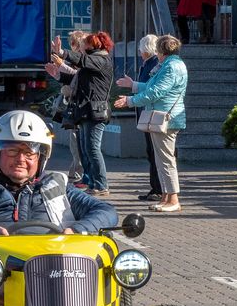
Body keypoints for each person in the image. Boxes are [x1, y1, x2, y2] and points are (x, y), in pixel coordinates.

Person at [0, 110, 117, 236]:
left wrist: (76, 230)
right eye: (12, 151)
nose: (21, 159)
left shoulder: (58, 186)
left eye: (29, 153)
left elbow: (106, 211)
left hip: (56, 269)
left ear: (41, 159)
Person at [114, 35, 187, 212]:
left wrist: (130, 101)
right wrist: (134, 86)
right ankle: (166, 197)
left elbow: (156, 92)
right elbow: (150, 86)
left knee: (166, 160)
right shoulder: (168, 65)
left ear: (162, 51)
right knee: (161, 159)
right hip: (160, 116)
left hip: (165, 119)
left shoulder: (171, 67)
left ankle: (173, 199)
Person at [51, 31, 114, 196]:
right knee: (86, 149)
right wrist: (58, 75)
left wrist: (63, 53)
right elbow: (76, 80)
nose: (81, 47)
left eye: (84, 44)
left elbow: (82, 60)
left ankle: (101, 184)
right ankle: (93, 182)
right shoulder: (92, 62)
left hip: (96, 111)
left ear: (94, 45)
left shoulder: (101, 60)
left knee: (93, 149)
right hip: (86, 111)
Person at [116, 34, 163, 202]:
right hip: (146, 114)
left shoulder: (155, 65)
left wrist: (132, 88)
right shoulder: (149, 64)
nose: (139, 51)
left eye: (141, 48)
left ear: (146, 49)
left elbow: (151, 90)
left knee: (155, 153)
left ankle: (158, 189)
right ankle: (156, 188)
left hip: (152, 114)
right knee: (151, 153)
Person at [44, 30, 87, 187]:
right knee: (74, 142)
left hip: (81, 106)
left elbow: (78, 76)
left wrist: (61, 65)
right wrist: (57, 72)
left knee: (79, 142)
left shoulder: (86, 60)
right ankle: (76, 171)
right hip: (73, 105)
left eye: (75, 44)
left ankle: (79, 173)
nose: (73, 47)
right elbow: (70, 78)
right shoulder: (77, 60)